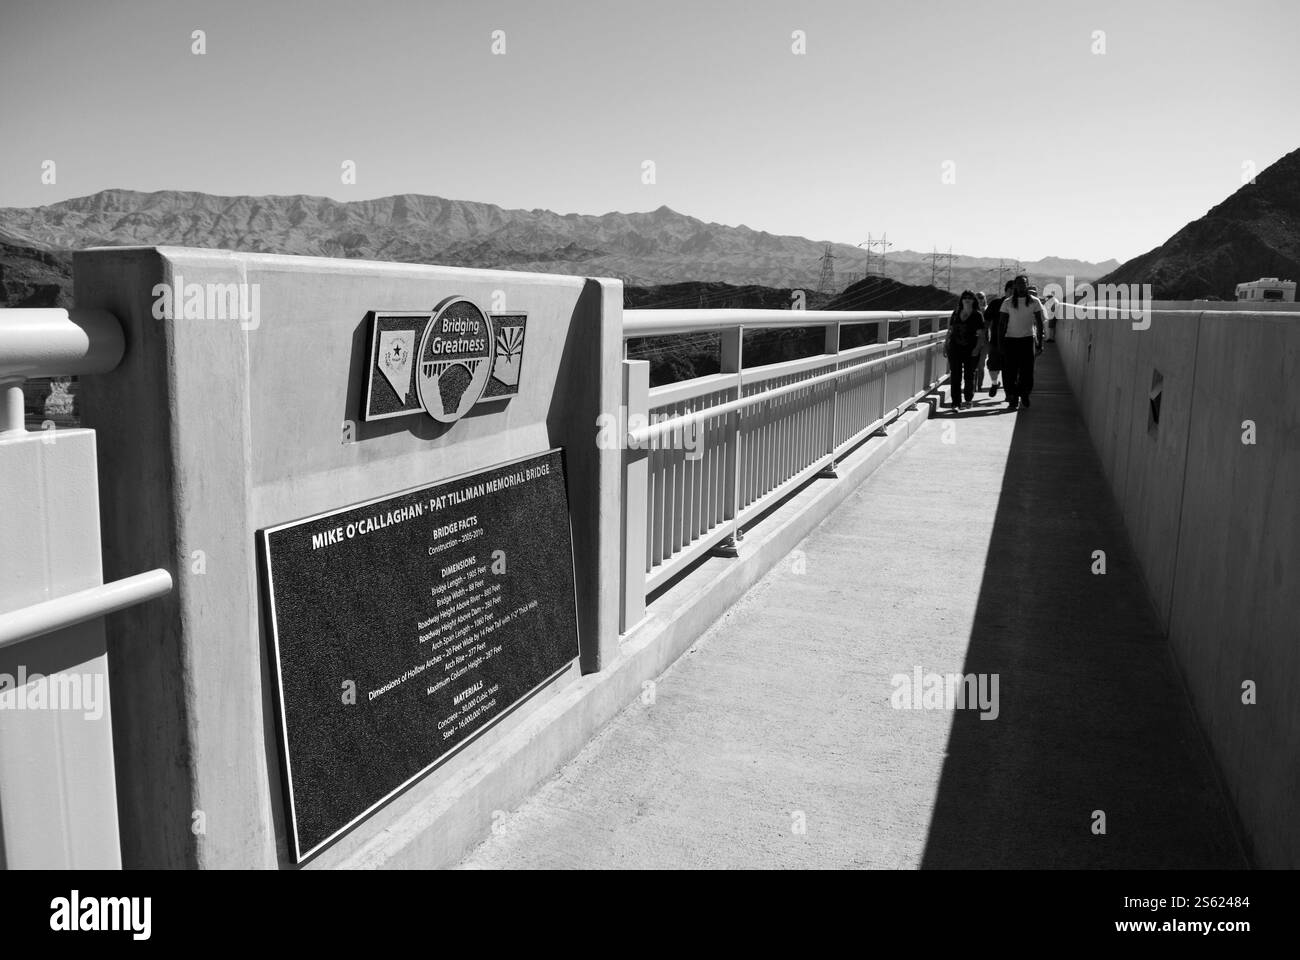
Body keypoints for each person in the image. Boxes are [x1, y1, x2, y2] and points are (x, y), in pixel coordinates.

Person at [997, 274, 1045, 410]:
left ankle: (1024, 394)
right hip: (1010, 341)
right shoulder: (1007, 303)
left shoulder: (1034, 302)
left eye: (1024, 283)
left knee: (1027, 372)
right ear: (1015, 286)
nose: (1021, 286)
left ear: (1027, 284)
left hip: (1027, 340)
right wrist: (1000, 344)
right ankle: (1012, 398)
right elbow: (1001, 324)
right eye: (1018, 283)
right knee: (1010, 372)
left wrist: (1040, 342)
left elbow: (1040, 323)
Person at [943, 290, 984, 409]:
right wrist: (946, 345)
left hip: (971, 349)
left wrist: (977, 348)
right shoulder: (956, 313)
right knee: (955, 375)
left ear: (973, 300)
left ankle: (968, 400)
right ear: (961, 300)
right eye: (964, 297)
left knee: (968, 375)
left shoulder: (977, 315)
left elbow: (981, 334)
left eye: (970, 297)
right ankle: (956, 402)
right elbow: (950, 330)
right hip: (955, 348)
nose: (967, 299)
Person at [982, 280, 1013, 398]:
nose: (1012, 293)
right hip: (995, 340)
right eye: (1010, 290)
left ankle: (1009, 394)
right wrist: (985, 336)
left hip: (1013, 341)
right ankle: (994, 384)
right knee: (993, 365)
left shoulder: (1019, 305)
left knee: (1009, 369)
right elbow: (987, 320)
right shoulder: (996, 303)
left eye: (1015, 291)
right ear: (1005, 291)